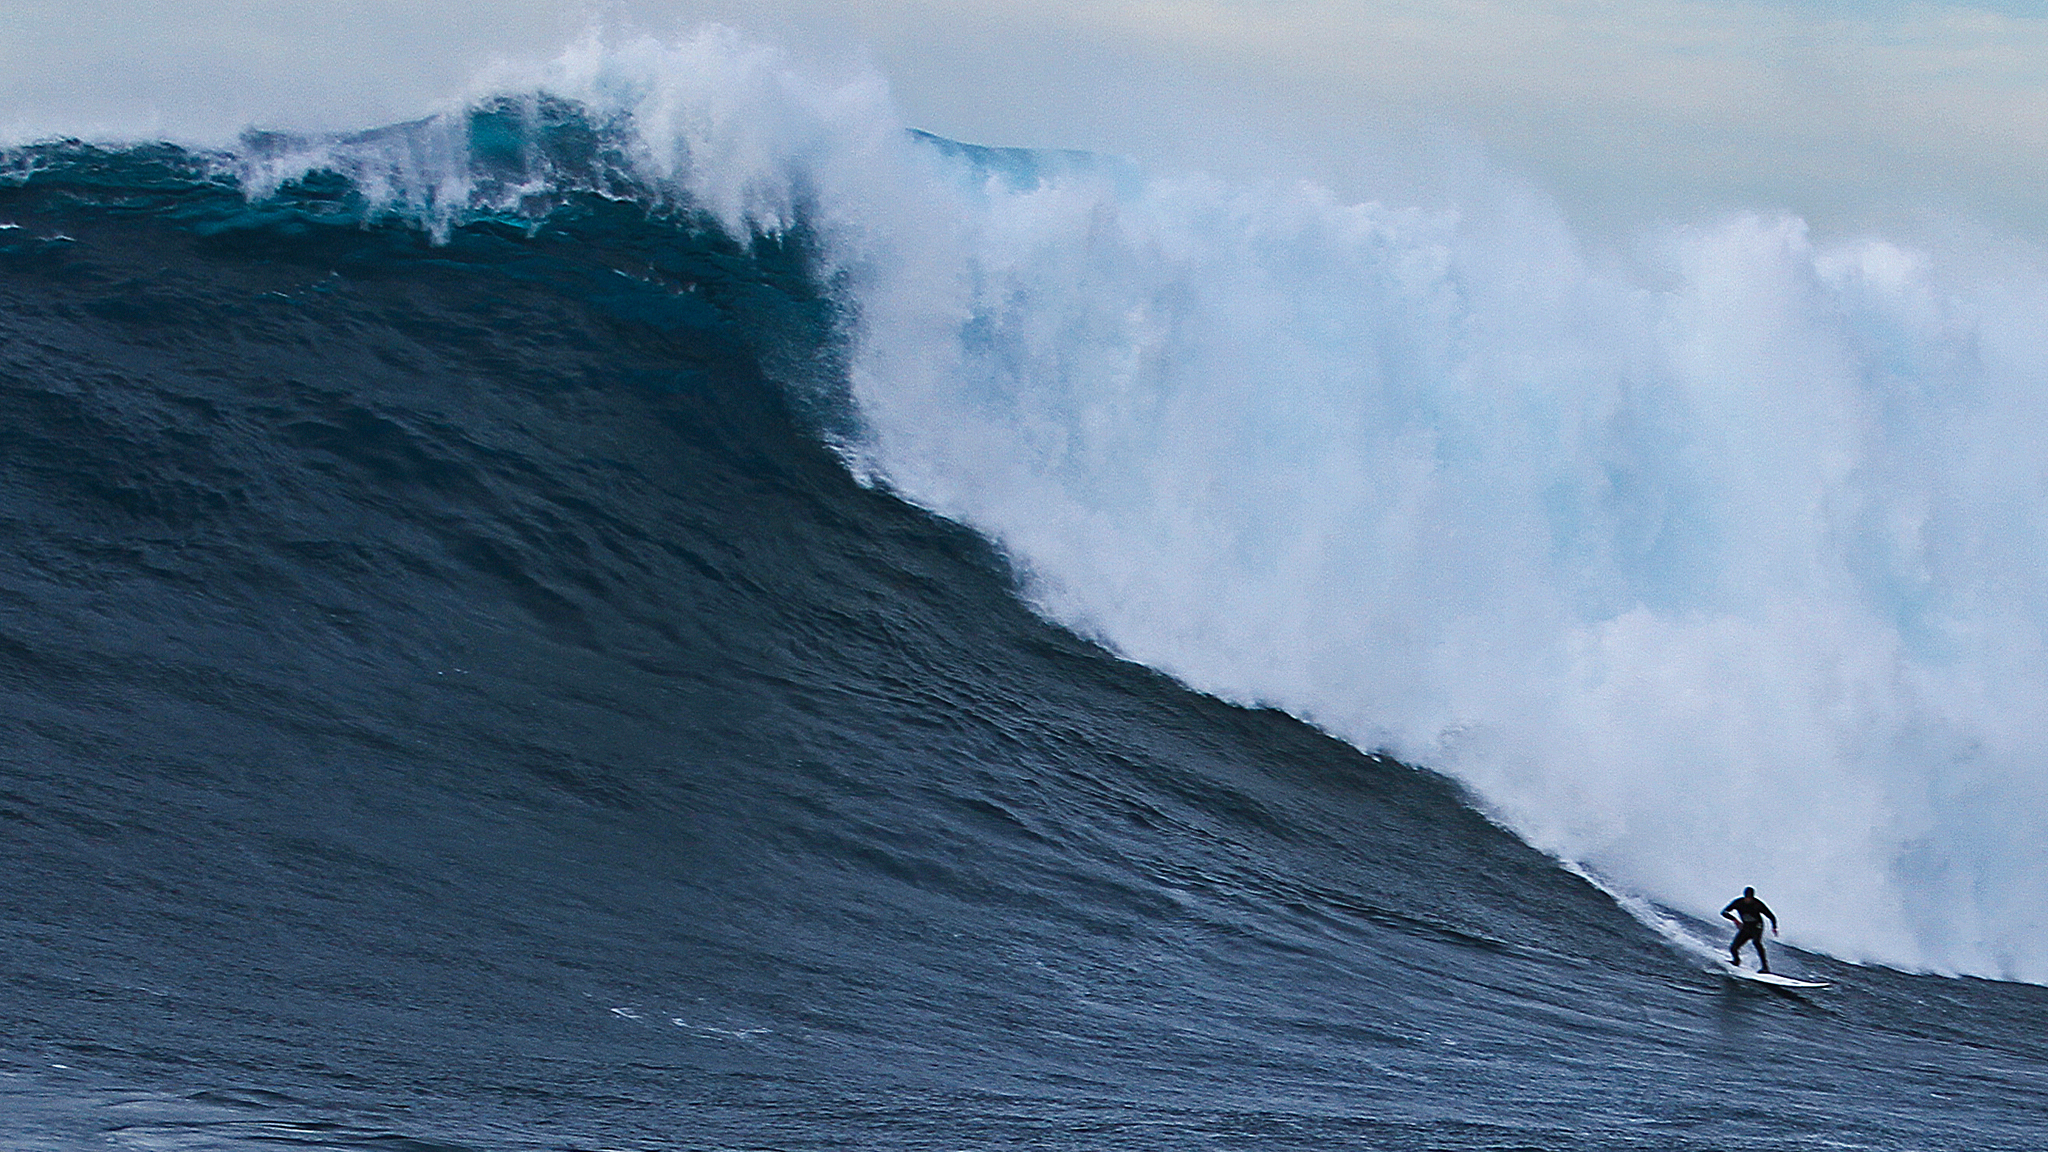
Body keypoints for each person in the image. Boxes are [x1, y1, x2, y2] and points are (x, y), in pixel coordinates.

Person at [1722, 887, 1778, 973]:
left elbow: (1771, 916)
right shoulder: (1738, 902)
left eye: (1750, 898)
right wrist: (1735, 920)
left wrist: (1774, 927)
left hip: (1757, 926)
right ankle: (1736, 961)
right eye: (1747, 898)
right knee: (1733, 948)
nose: (1749, 900)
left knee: (1756, 942)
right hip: (1746, 927)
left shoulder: (1758, 904)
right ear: (1744, 896)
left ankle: (1765, 968)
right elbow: (1724, 912)